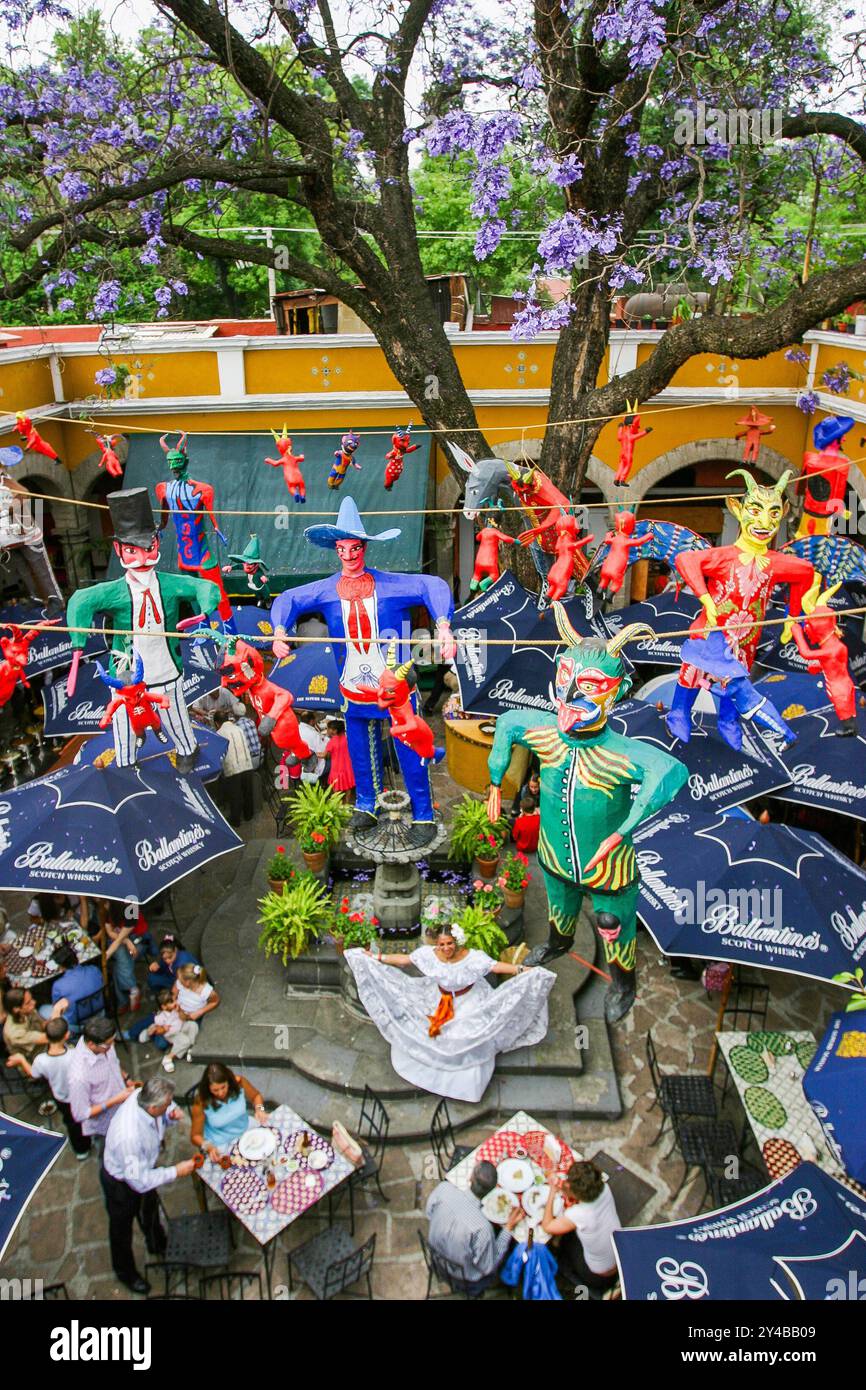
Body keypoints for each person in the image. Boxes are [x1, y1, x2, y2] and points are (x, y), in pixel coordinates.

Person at [344, 924, 555, 1103]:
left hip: (468, 1000)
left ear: (457, 942)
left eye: (450, 944)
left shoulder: (474, 959)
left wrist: (522, 970)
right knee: (428, 1033)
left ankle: (467, 1085)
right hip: (437, 997)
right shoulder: (429, 955)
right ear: (437, 944)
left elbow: (497, 967)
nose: (446, 948)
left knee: (465, 1038)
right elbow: (404, 960)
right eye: (442, 944)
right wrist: (377, 956)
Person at [101, 1074, 197, 1294]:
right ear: (154, 1107)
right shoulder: (129, 1137)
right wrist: (176, 1171)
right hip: (122, 1183)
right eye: (167, 1104)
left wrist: (172, 1116)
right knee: (121, 1230)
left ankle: (157, 1242)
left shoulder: (143, 1098)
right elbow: (139, 1182)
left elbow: (166, 1113)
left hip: (144, 1168)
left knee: (150, 1209)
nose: (170, 1104)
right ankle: (125, 1272)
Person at [426, 1160, 522, 1294]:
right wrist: (508, 1228)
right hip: (464, 1280)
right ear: (492, 1190)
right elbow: (488, 1267)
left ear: (470, 1178)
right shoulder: (482, 1228)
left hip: (436, 1258)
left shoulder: (443, 1189)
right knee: (509, 1250)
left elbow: (429, 1214)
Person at [7, 1017, 92, 1158]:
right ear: (67, 1035)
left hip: (61, 1097)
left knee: (71, 1123)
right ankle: (89, 1135)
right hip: (78, 1094)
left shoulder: (41, 1060)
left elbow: (33, 1073)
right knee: (84, 1116)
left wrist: (21, 1060)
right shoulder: (74, 1054)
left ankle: (81, 1151)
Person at [540, 1160, 621, 1292]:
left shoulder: (580, 1214)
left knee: (564, 1243)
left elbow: (547, 1226)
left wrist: (552, 1192)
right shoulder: (605, 1189)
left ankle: (564, 1275)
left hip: (597, 1274)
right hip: (617, 1254)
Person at [68, 1016, 139, 1141]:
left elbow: (113, 1063)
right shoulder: (79, 1076)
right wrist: (115, 1100)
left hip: (122, 1108)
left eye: (113, 1041)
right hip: (105, 1125)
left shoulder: (105, 1044)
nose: (112, 1046)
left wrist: (126, 1078)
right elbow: (81, 1114)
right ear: (91, 1044)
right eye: (108, 1044)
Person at [122, 936, 199, 1047]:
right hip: (173, 1012)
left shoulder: (184, 970)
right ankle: (135, 1032)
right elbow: (175, 989)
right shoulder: (179, 982)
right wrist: (169, 1005)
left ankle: (149, 1032)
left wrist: (173, 1012)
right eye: (165, 959)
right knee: (154, 1017)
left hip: (177, 1016)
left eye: (169, 958)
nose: (167, 961)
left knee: (161, 1044)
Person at [189, 1063, 268, 1157]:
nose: (221, 1093)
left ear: (228, 1082)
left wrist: (260, 1109)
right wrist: (208, 1146)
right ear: (208, 1089)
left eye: (223, 1087)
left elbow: (256, 1096)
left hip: (246, 1128)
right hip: (221, 1144)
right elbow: (195, 1136)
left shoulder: (239, 1082)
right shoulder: (201, 1102)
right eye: (215, 1090)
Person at [48, 941, 103, 1036]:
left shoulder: (58, 985)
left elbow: (57, 1007)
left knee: (43, 1009)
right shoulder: (94, 969)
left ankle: (69, 1037)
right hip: (100, 1012)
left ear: (61, 966)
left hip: (78, 1024)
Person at [139, 988, 200, 1074]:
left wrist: (180, 1011)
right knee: (184, 1040)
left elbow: (184, 1018)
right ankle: (168, 1058)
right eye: (171, 1002)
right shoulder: (160, 1017)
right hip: (172, 1034)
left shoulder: (177, 1009)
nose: (175, 1003)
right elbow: (158, 1030)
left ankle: (189, 1049)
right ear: (164, 1006)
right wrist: (163, 1029)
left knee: (193, 1025)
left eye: (175, 1000)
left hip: (182, 1026)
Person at [213, 709, 258, 824]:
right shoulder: (238, 728)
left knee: (235, 795)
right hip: (247, 764)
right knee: (248, 792)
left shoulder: (219, 734)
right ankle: (249, 815)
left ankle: (235, 820)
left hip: (233, 768)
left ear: (217, 723)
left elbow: (219, 754)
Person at [3, 987, 67, 1061]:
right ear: (16, 1009)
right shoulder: (15, 1033)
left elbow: (43, 1025)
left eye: (31, 999)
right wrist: (56, 1012)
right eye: (28, 1003)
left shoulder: (26, 1011)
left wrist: (57, 1015)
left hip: (44, 1042)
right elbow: (53, 1038)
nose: (34, 1002)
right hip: (35, 1057)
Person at [324, 717, 354, 793]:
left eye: (328, 728)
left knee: (336, 789)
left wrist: (313, 753)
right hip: (347, 767)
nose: (327, 730)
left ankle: (338, 804)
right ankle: (347, 803)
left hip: (336, 768)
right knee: (348, 786)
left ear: (335, 730)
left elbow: (324, 755)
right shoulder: (347, 738)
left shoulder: (332, 742)